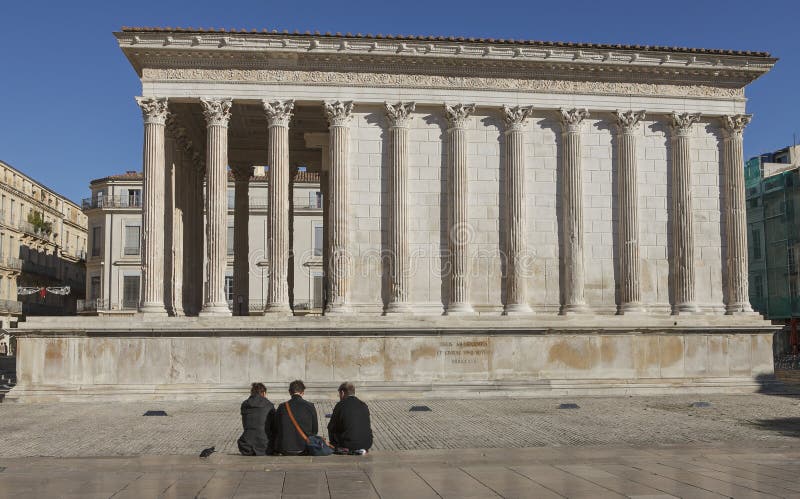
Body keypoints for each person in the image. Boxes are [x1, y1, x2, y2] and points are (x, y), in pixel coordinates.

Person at [274, 379, 318, 455]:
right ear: (303, 392)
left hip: (285, 448)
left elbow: (276, 428)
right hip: (305, 448)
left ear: (290, 392)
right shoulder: (310, 406)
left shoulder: (282, 407)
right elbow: (315, 430)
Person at [327, 382, 373, 454]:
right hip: (367, 443)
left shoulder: (340, 405)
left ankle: (339, 448)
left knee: (331, 427)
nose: (339, 396)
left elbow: (332, 426)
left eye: (339, 394)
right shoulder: (363, 405)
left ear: (342, 392)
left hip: (349, 444)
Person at [237, 382, 275, 456]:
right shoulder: (269, 405)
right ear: (264, 393)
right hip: (265, 446)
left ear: (251, 393)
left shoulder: (245, 404)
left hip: (246, 446)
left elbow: (245, 424)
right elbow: (274, 426)